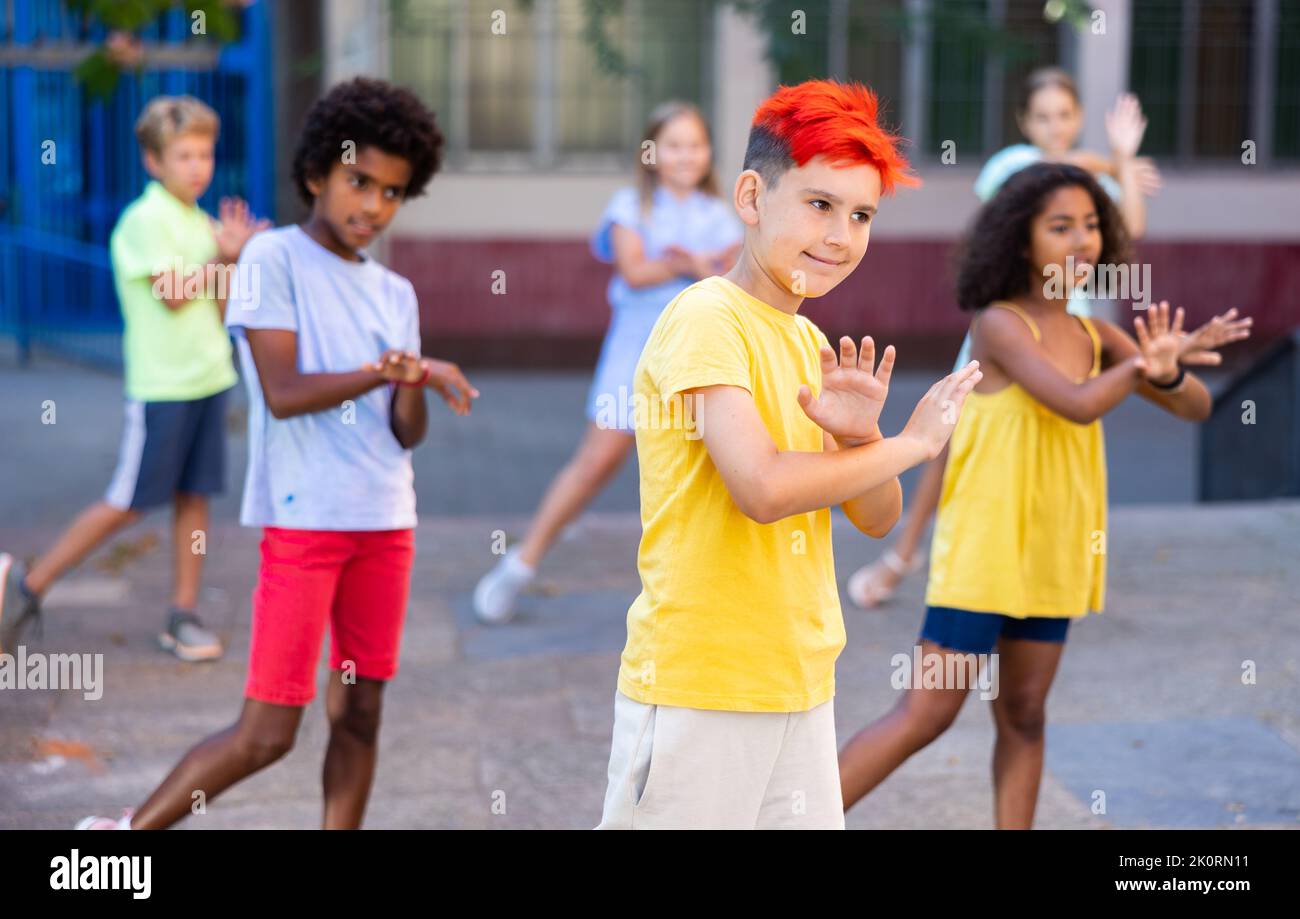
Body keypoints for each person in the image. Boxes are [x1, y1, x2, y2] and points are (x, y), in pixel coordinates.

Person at [76, 77, 479, 830]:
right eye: (359, 181)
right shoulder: (272, 259)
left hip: (386, 521)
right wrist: (389, 369)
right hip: (306, 522)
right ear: (317, 172)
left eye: (393, 192)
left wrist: (413, 379)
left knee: (361, 710)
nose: (372, 206)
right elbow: (285, 389)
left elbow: (405, 431)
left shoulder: (396, 293)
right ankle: (121, 837)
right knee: (268, 732)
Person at [596, 80, 984, 830]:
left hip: (799, 677)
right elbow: (765, 487)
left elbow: (874, 518)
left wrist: (862, 438)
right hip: (700, 683)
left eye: (861, 215)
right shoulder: (707, 315)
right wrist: (910, 442)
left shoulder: (809, 341)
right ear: (750, 196)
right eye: (818, 204)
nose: (840, 235)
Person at [836, 162, 1251, 828]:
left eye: (1091, 225)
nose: (1082, 240)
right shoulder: (999, 325)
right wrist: (1143, 366)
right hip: (985, 555)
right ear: (1020, 240)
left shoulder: (1095, 334)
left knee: (1026, 714)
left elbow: (1196, 407)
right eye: (1061, 226)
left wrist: (1168, 373)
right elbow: (1078, 405)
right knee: (926, 713)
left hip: (1051, 555)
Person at [848, 66, 1163, 609]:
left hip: (1068, 322)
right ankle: (902, 557)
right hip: (1013, 326)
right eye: (1042, 116)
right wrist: (1115, 160)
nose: (1055, 125)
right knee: (947, 437)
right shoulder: (1013, 165)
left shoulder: (1090, 182)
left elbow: (1128, 227)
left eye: (1065, 116)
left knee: (1054, 443)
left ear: (1079, 118)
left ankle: (1041, 577)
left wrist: (1125, 167)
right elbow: (1044, 177)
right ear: (1023, 121)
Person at [0, 95, 266, 661]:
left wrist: (233, 260)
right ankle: (27, 585)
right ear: (152, 161)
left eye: (205, 154)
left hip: (208, 380)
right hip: (162, 389)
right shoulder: (144, 222)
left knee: (195, 498)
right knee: (129, 500)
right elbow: (172, 297)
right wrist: (222, 259)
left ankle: (183, 612)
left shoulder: (202, 224)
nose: (197, 166)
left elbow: (215, 311)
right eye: (183, 155)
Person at [473, 101, 742, 624]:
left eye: (695, 145)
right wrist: (689, 263)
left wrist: (688, 264)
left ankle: (703, 592)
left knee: (707, 472)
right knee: (596, 463)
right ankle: (521, 564)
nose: (685, 156)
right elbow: (637, 271)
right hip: (633, 353)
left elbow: (730, 275)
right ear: (652, 151)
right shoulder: (629, 206)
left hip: (697, 355)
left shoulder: (720, 214)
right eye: (674, 145)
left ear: (708, 153)